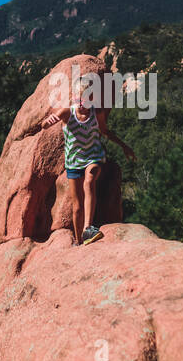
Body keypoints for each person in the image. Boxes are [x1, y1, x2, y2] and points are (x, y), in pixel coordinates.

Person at [40, 78, 136, 245]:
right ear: (74, 97)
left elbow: (105, 132)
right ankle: (79, 241)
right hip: (73, 161)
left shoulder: (95, 113)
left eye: (86, 99)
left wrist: (124, 146)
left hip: (93, 156)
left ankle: (88, 228)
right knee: (77, 207)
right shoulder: (67, 112)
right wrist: (46, 123)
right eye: (78, 98)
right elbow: (44, 125)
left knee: (90, 180)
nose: (81, 102)